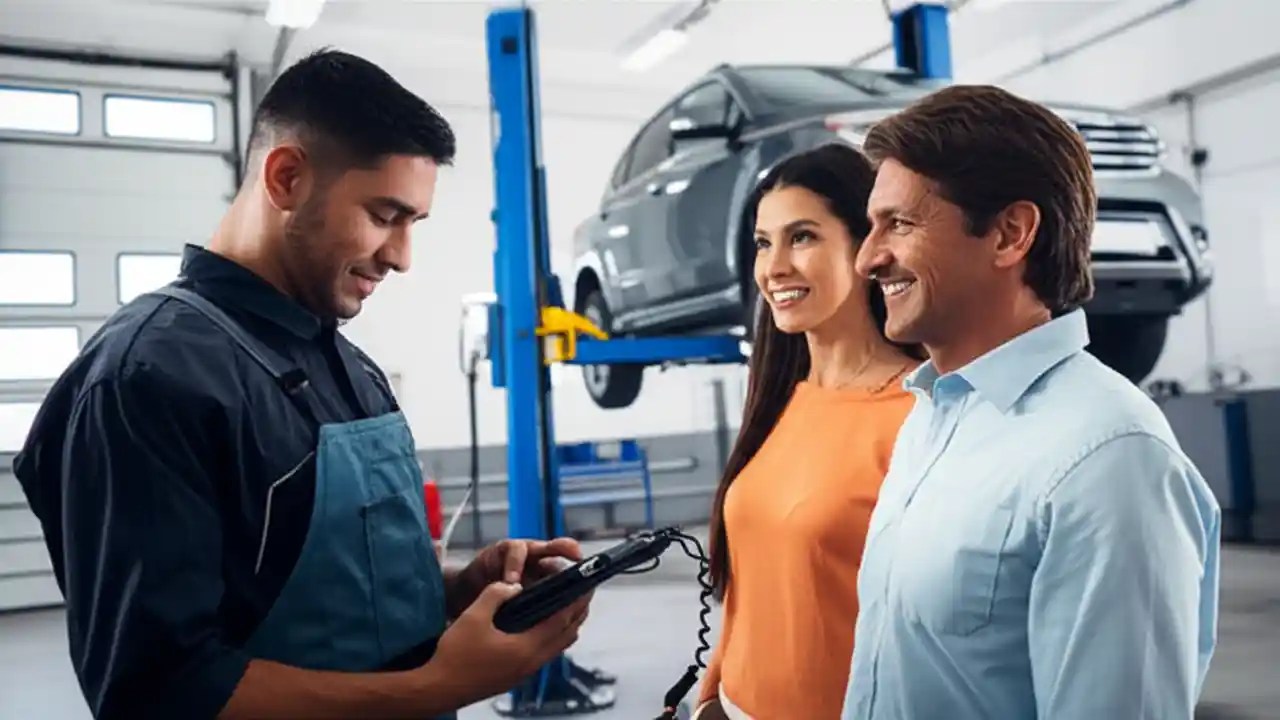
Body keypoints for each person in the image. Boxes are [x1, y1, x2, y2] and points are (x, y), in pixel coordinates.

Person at [13, 49, 592, 720]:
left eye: (412, 224)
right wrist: (438, 687)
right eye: (384, 216)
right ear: (287, 177)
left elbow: (318, 592)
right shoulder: (144, 379)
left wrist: (462, 589)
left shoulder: (349, 366)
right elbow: (160, 691)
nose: (402, 257)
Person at [840, 85, 1221, 720]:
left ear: (1010, 234)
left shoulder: (1107, 457)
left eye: (899, 224)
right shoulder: (934, 417)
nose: (867, 259)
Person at [691, 144, 926, 720]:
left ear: (864, 247)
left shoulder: (922, 409)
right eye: (763, 243)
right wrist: (709, 700)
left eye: (803, 237)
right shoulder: (780, 399)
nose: (774, 268)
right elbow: (754, 588)